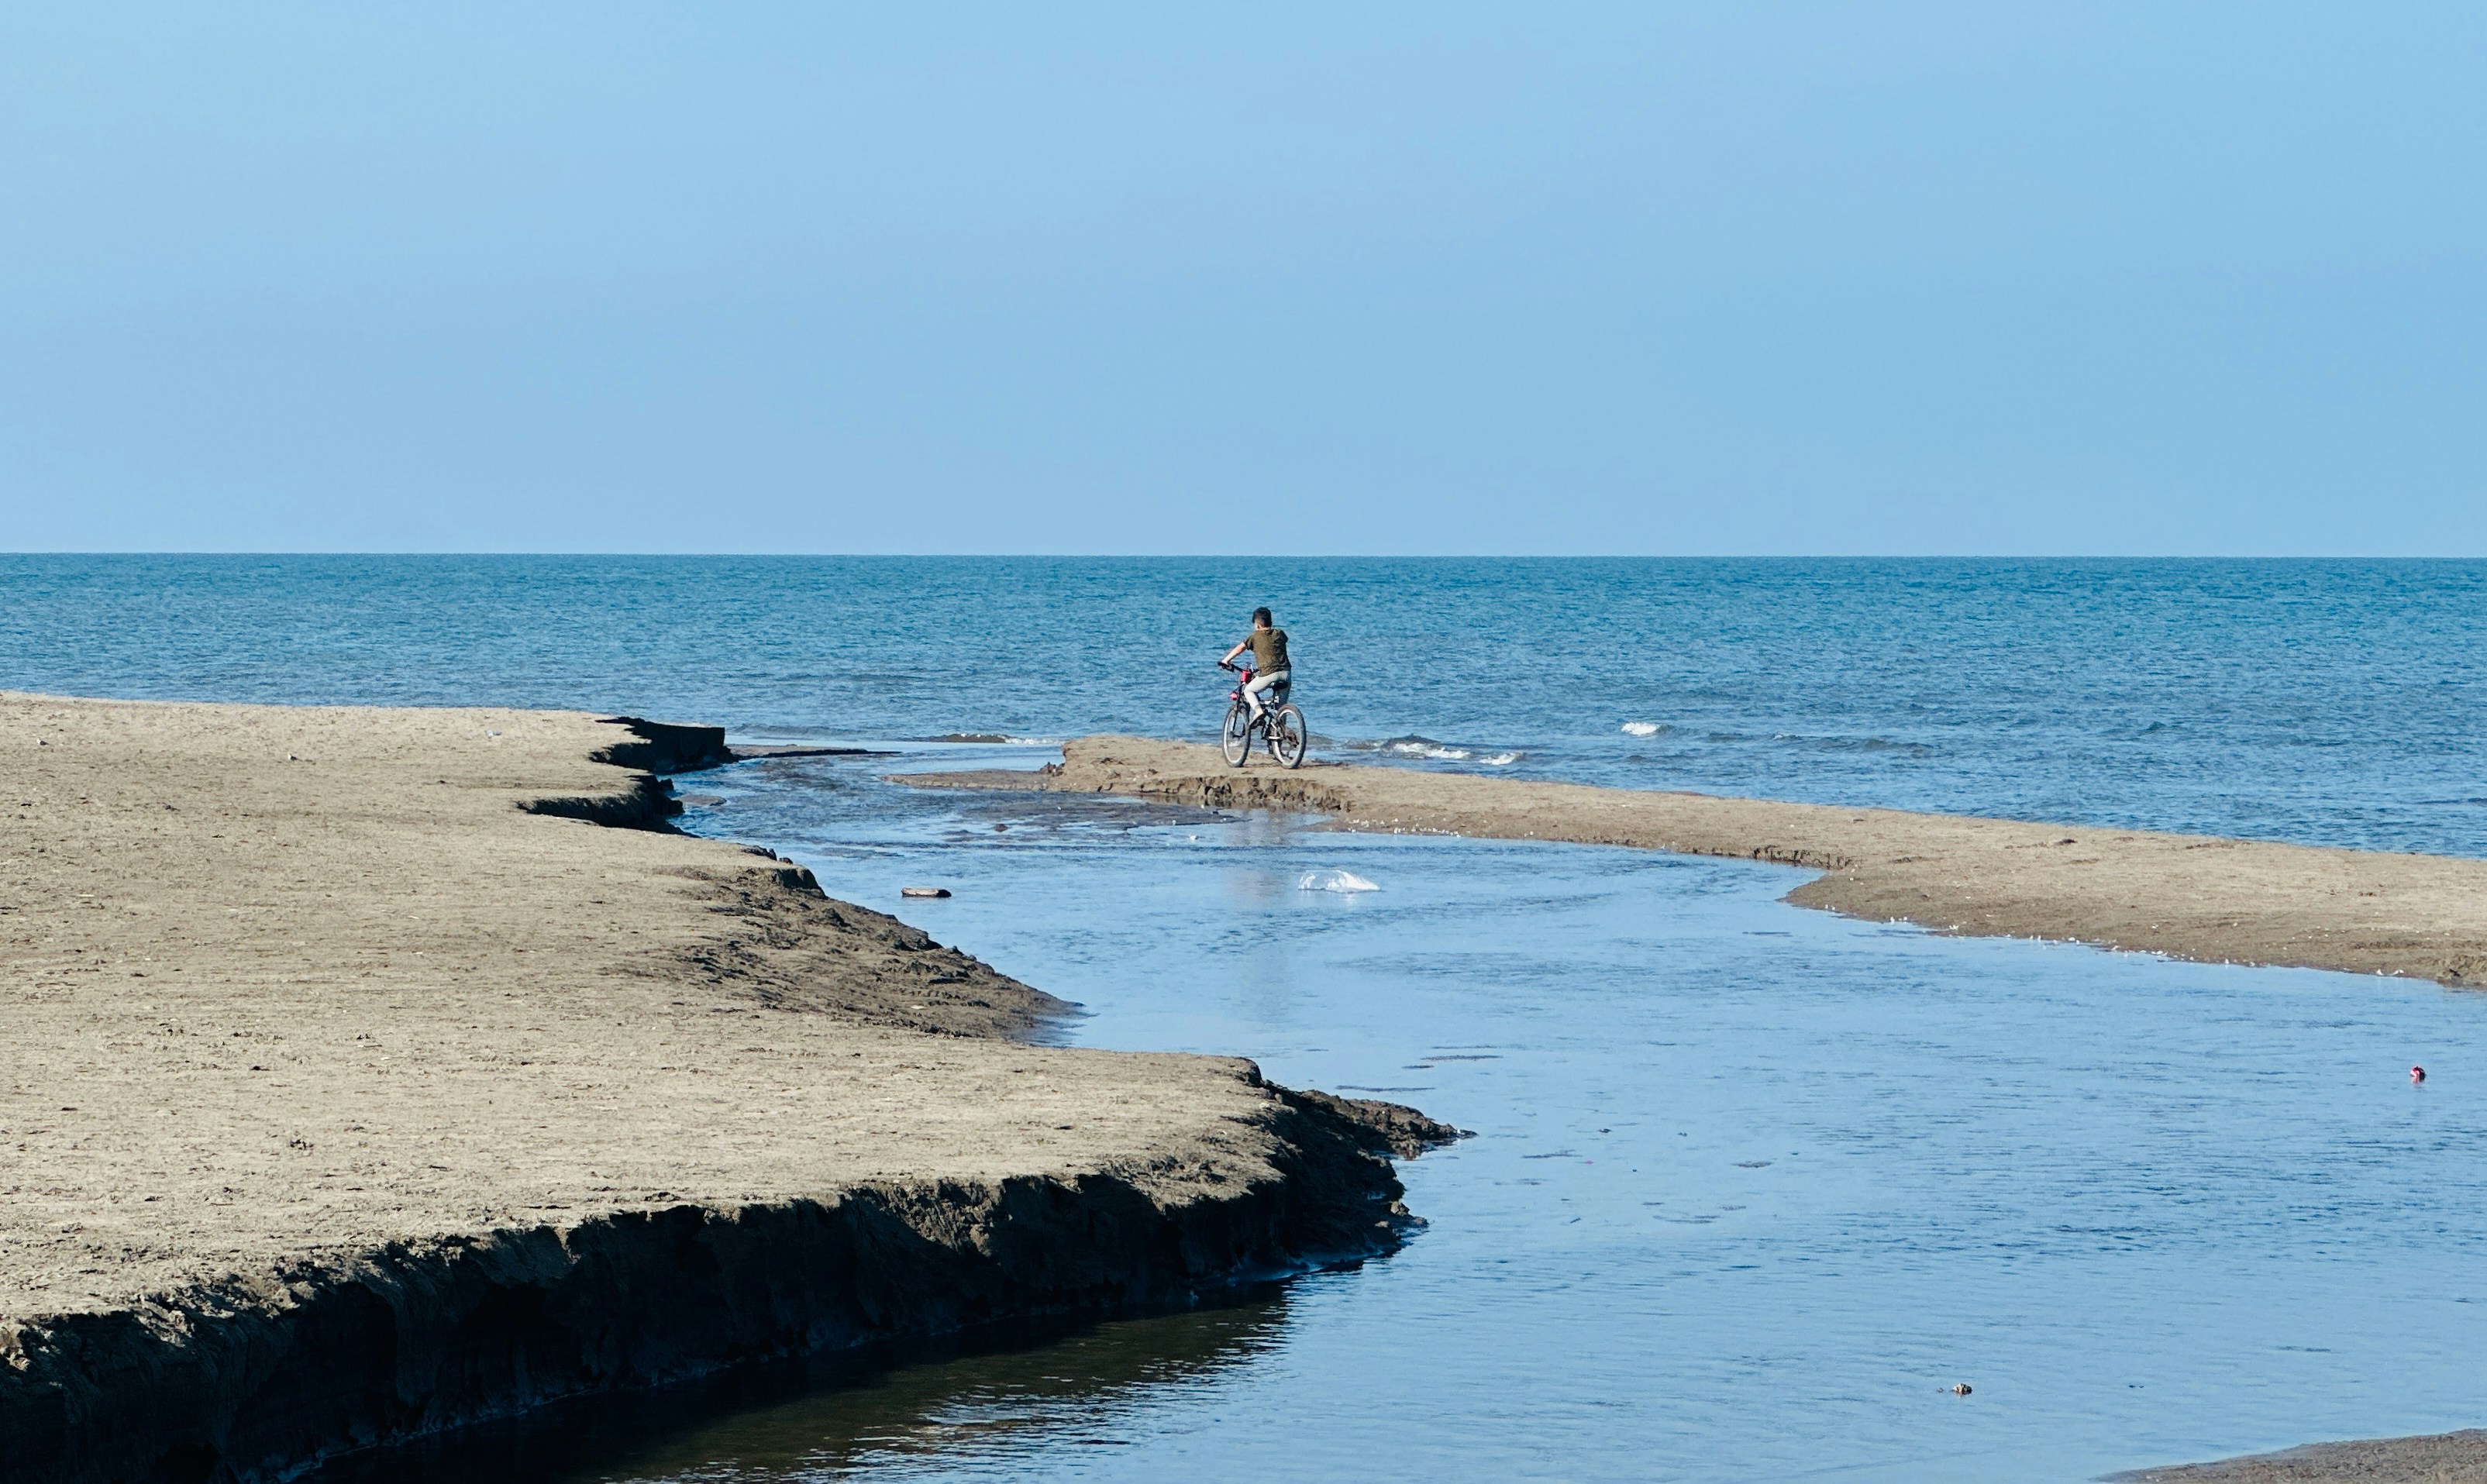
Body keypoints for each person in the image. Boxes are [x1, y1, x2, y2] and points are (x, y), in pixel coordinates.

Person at [1220, 607, 1291, 721]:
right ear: (1271, 622)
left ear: (1257, 625)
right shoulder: (1280, 633)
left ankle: (1258, 711)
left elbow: (1240, 649)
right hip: (1286, 673)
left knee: (1248, 690)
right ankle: (1280, 733)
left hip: (1269, 673)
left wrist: (1226, 661)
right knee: (1281, 709)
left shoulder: (1255, 636)